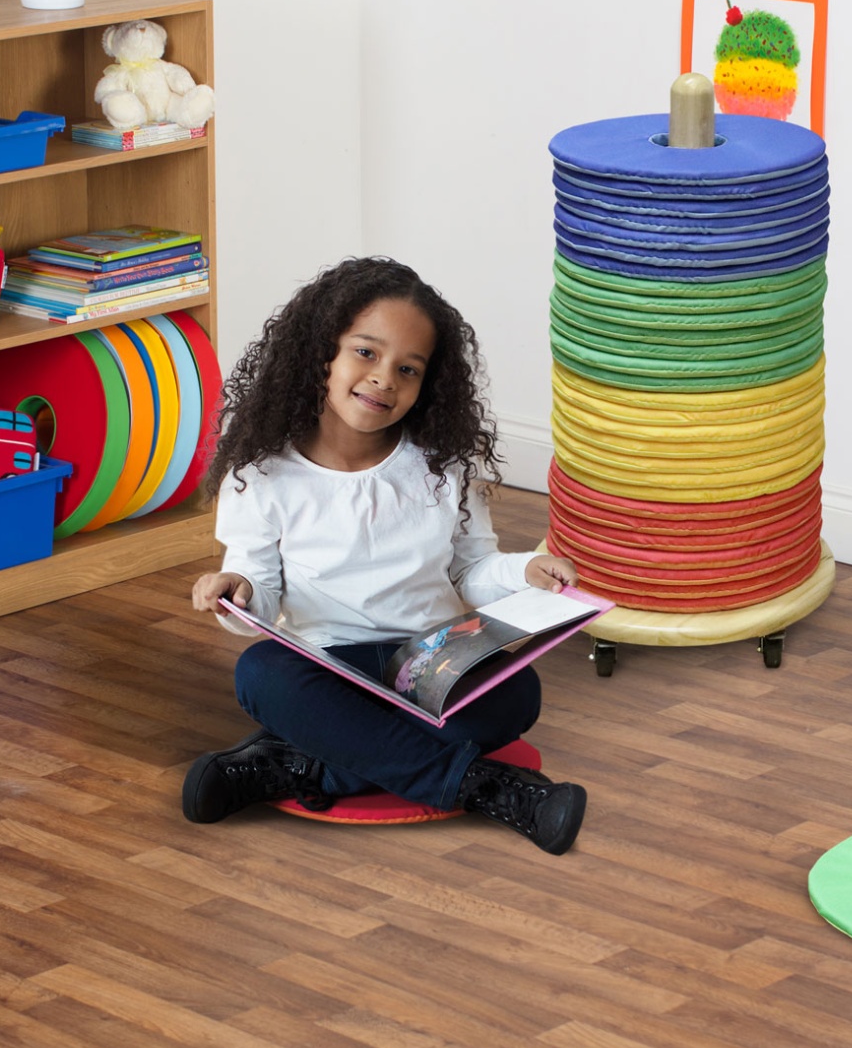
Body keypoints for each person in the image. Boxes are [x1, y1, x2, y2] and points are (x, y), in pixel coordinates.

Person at [184, 257, 588, 855]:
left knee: (518, 692)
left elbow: (470, 571)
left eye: (408, 369)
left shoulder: (440, 466)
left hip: (428, 664)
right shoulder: (261, 473)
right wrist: (235, 590)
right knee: (261, 675)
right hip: (326, 669)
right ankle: (486, 788)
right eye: (366, 353)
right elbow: (259, 598)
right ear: (322, 351)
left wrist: (523, 571)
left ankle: (301, 766)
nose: (383, 379)